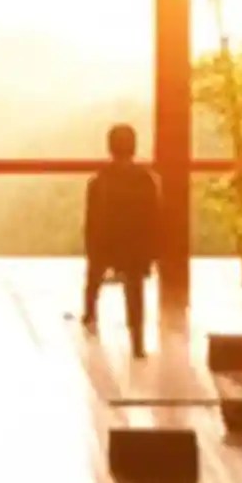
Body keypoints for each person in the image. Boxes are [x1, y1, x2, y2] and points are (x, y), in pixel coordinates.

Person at [81, 124, 160, 359]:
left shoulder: (99, 181)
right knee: (134, 291)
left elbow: (92, 221)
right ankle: (137, 342)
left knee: (94, 276)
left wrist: (92, 248)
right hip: (134, 247)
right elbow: (154, 218)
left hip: (105, 244)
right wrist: (151, 252)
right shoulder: (146, 179)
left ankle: (89, 313)